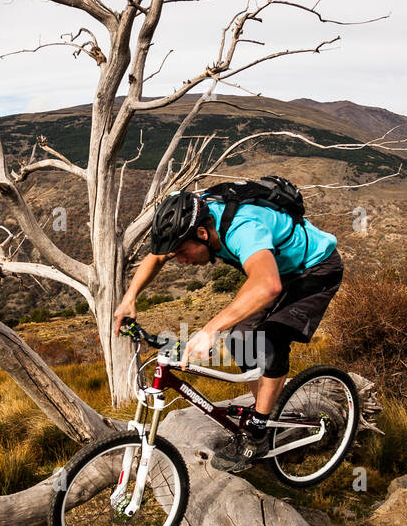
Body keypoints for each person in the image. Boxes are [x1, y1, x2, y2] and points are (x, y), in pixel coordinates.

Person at [112, 187, 344, 472]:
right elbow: (159, 256)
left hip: (315, 269)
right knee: (238, 339)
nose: (181, 262)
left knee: (270, 339)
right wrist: (129, 298)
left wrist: (209, 330)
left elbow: (268, 286)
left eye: (183, 253)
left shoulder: (242, 230)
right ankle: (266, 414)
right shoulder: (196, 219)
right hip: (278, 270)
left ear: (202, 234)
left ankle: (258, 433)